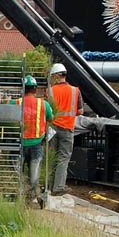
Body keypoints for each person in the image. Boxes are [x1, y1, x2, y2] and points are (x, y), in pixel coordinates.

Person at [16, 76, 53, 201]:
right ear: (35, 90)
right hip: (36, 144)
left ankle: (19, 195)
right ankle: (32, 197)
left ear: (23, 89)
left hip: (19, 144)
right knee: (34, 176)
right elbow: (51, 118)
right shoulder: (43, 104)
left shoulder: (16, 103)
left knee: (17, 173)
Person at [48, 63, 83, 195]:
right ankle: (58, 187)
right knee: (63, 158)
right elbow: (80, 111)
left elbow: (47, 110)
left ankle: (49, 186)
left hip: (52, 128)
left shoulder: (50, 91)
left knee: (52, 157)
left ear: (56, 76)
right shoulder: (75, 91)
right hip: (67, 128)